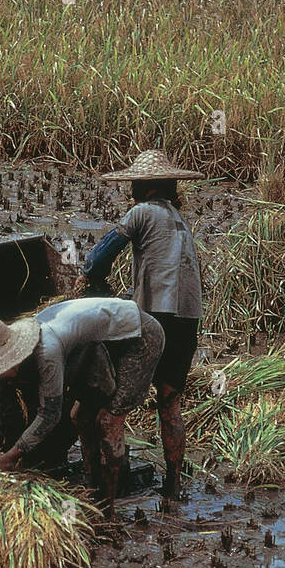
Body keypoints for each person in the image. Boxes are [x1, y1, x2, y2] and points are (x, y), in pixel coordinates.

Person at [79, 148, 205, 501]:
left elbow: (97, 259)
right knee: (170, 404)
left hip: (154, 319)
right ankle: (174, 485)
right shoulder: (180, 221)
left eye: (135, 183)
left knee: (112, 404)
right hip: (187, 320)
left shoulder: (139, 213)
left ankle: (106, 493)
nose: (132, 189)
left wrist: (92, 285)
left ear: (144, 186)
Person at [0, 297, 164, 516]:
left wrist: (11, 456)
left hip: (139, 335)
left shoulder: (46, 352)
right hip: (100, 345)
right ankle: (94, 490)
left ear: (11, 357)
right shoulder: (18, 359)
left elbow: (49, 413)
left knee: (108, 422)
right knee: (81, 417)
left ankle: (108, 511)